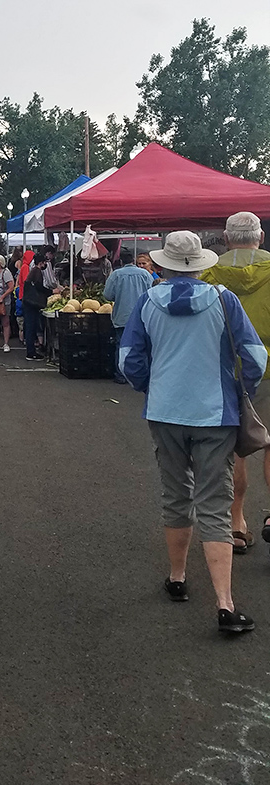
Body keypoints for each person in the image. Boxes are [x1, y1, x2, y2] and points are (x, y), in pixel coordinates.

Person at [120, 231, 267, 635]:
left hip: (165, 412)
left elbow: (128, 358)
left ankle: (178, 578)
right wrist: (244, 388)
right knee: (214, 500)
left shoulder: (149, 301)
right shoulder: (223, 300)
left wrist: (152, 385)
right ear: (202, 264)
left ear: (163, 264)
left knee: (175, 492)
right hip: (215, 414)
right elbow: (254, 355)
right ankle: (225, 603)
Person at [201, 211, 270, 555]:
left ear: (226, 239)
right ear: (261, 237)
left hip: (226, 372)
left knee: (235, 448)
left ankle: (236, 523)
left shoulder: (209, 274)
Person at [103, 251, 153, 382]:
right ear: (133, 261)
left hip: (122, 316)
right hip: (143, 316)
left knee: (121, 345)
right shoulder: (145, 274)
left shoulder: (115, 275)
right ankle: (141, 374)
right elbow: (153, 292)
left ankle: (121, 375)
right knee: (142, 345)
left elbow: (107, 295)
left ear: (121, 262)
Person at [22, 250, 53, 361]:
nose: (45, 265)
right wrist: (51, 292)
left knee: (30, 327)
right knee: (31, 327)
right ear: (41, 262)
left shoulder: (33, 271)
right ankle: (31, 353)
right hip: (31, 303)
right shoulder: (37, 272)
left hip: (28, 302)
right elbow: (39, 287)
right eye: (45, 263)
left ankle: (31, 351)